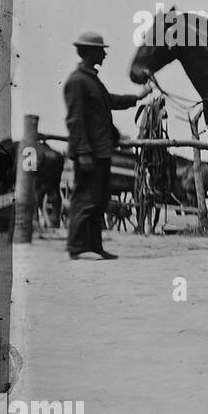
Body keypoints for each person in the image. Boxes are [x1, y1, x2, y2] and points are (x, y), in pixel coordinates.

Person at [62, 32, 148, 260]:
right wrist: (83, 153)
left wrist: (137, 98)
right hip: (90, 153)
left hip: (100, 151)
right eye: (101, 50)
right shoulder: (77, 81)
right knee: (85, 199)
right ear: (90, 52)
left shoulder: (90, 80)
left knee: (99, 200)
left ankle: (94, 246)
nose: (105, 54)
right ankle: (76, 247)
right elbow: (76, 121)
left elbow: (109, 103)